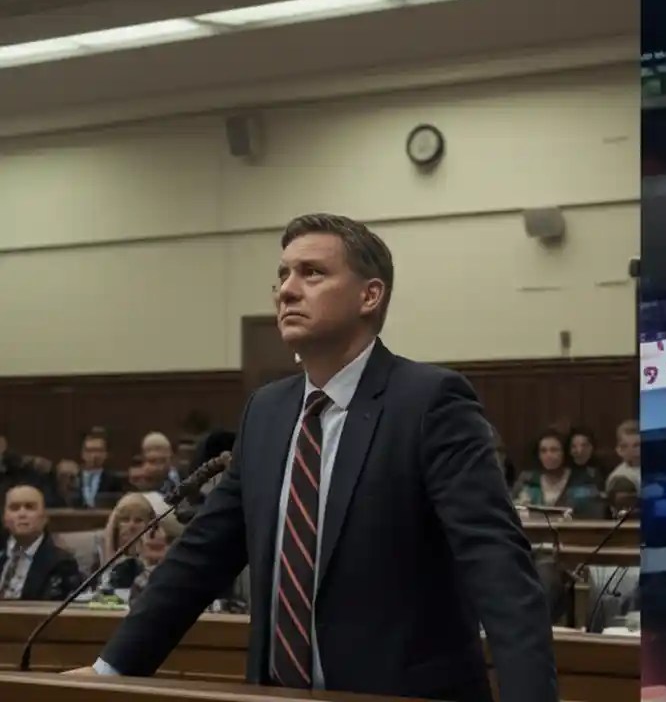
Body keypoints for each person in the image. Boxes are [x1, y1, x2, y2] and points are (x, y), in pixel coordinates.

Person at [69, 213, 556, 702]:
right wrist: (110, 669)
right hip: (276, 695)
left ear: (370, 295)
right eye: (282, 275)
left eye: (312, 273)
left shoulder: (430, 402)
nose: (286, 290)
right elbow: (203, 556)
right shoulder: (266, 412)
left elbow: (496, 565)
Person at [0, 485, 84, 600]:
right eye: (14, 508)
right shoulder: (3, 556)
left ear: (44, 518)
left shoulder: (62, 564)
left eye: (30, 507)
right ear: (4, 518)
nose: (22, 514)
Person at [512, 430, 604, 519]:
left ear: (565, 453)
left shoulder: (583, 480)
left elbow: (594, 514)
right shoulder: (528, 481)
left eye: (554, 450)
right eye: (543, 451)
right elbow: (512, 511)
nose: (549, 455)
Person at [78, 430, 126, 509]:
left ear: (106, 454)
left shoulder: (114, 480)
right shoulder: (74, 478)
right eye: (89, 451)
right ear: (83, 454)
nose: (94, 455)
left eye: (98, 450)